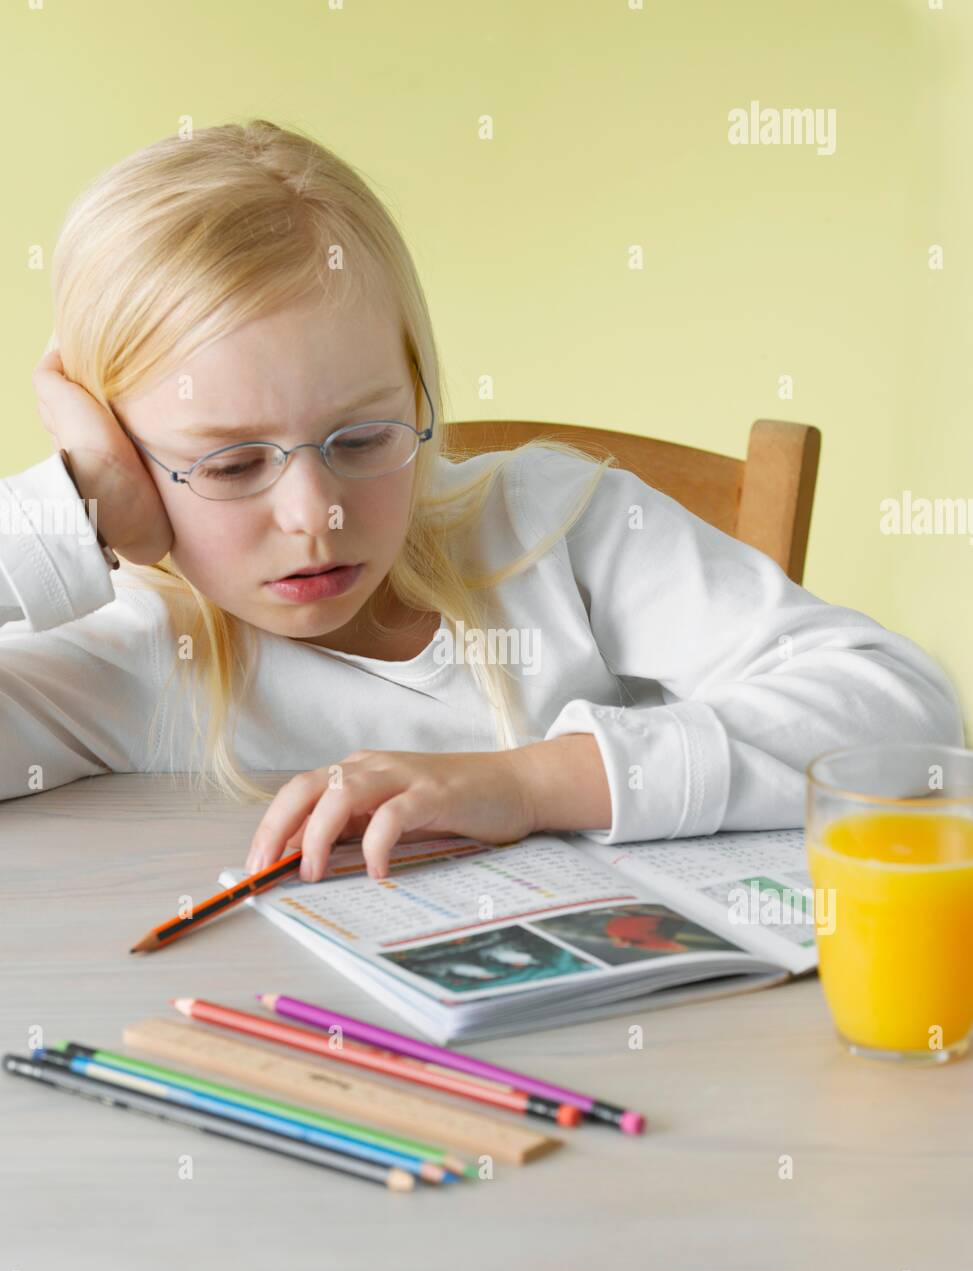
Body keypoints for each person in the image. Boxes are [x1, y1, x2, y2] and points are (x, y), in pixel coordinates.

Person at [1, 120, 962, 883]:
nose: (313, 515)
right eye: (230, 464)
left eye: (363, 439)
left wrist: (527, 783)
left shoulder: (557, 527)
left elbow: (905, 721)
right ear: (125, 453)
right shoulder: (137, 646)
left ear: (420, 398)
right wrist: (69, 512)